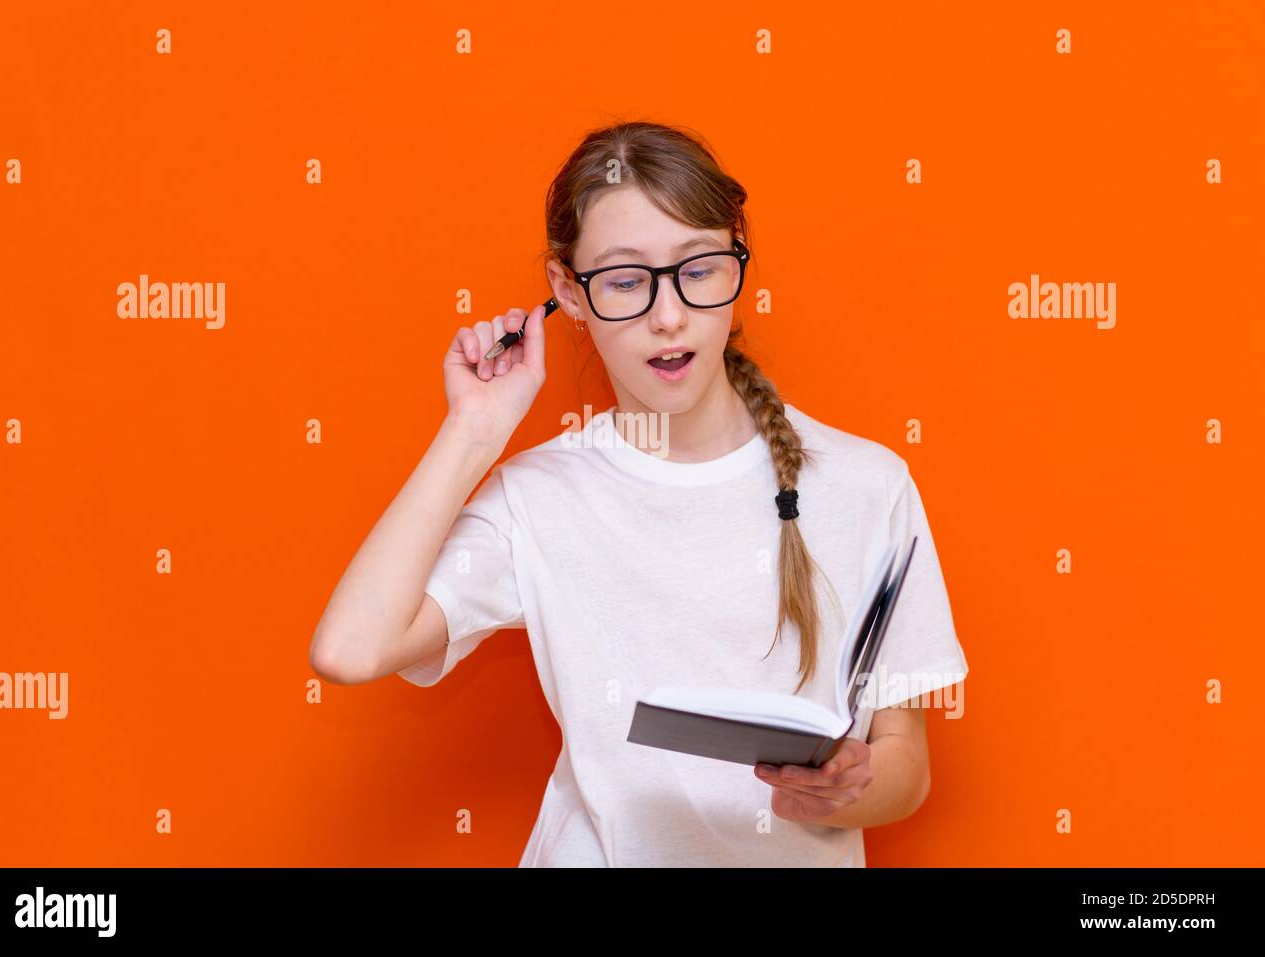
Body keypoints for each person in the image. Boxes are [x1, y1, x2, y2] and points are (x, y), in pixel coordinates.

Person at [309, 120, 969, 867]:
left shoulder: (866, 482)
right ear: (570, 291)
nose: (667, 315)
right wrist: (474, 429)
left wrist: (850, 784)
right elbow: (348, 648)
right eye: (625, 281)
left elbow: (906, 764)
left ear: (736, 258)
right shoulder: (541, 496)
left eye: (698, 268)